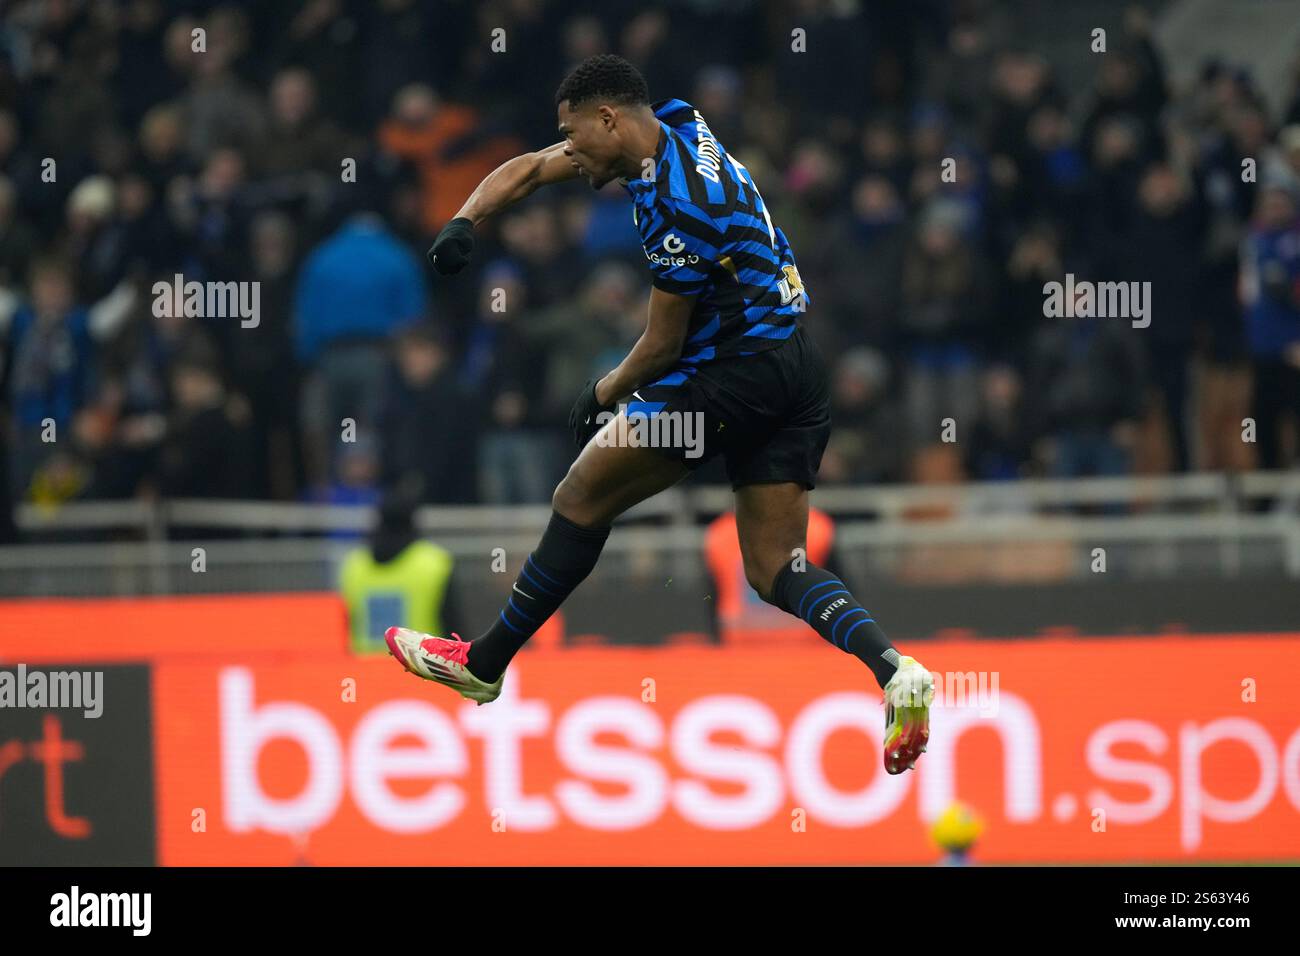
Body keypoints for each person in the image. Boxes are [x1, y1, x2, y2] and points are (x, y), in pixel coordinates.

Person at [384, 55, 933, 775]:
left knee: (581, 496)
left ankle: (485, 664)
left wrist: (602, 393)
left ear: (609, 118)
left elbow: (661, 345)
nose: (572, 156)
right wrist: (465, 220)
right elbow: (532, 167)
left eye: (575, 137)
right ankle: (895, 671)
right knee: (774, 569)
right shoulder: (675, 122)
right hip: (795, 367)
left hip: (733, 379)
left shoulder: (680, 206)